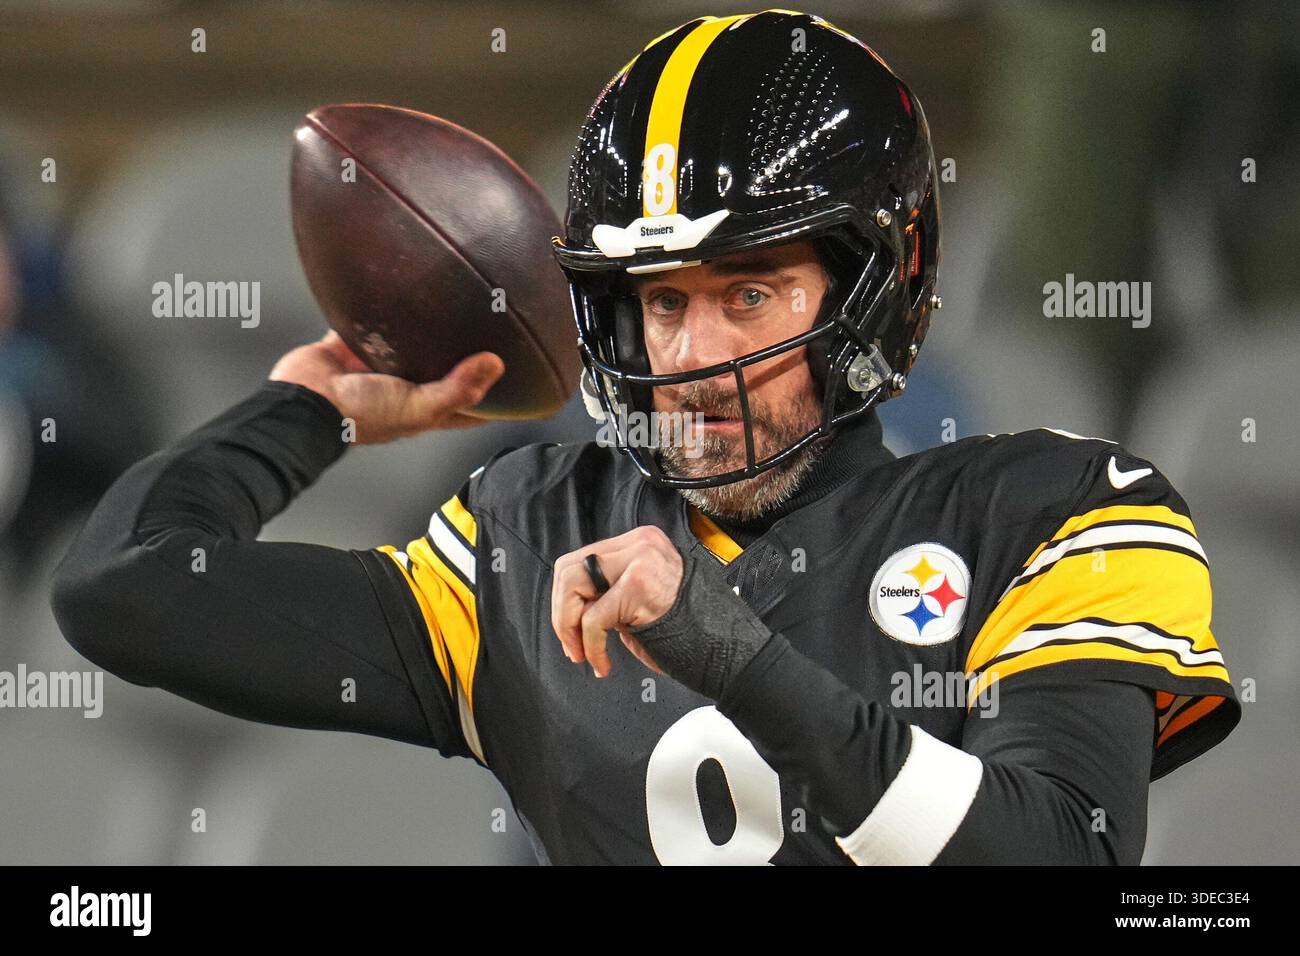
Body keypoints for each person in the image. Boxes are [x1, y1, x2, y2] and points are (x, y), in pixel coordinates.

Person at [52, 10, 1239, 865]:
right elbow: (123, 587)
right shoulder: (531, 536)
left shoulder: (1061, 509)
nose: (690, 355)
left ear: (881, 283)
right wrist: (308, 412)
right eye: (662, 300)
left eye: (751, 293)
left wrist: (732, 655)